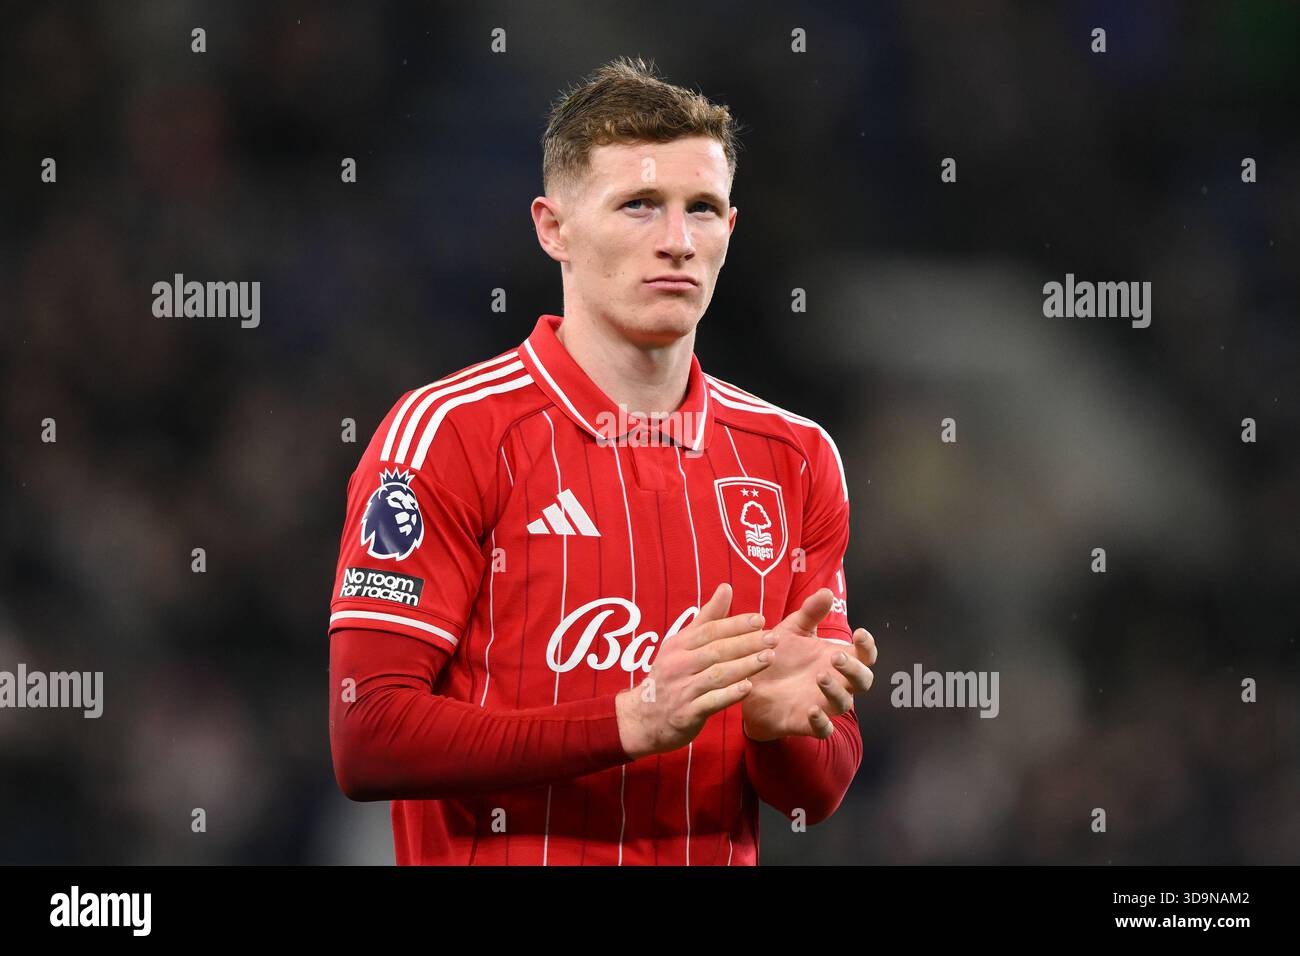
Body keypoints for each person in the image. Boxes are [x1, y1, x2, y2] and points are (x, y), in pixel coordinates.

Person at [327, 56, 877, 865]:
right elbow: (368, 733)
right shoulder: (446, 435)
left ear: (731, 228)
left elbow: (814, 793)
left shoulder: (793, 457)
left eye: (703, 210)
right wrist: (631, 720)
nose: (677, 241)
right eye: (640, 206)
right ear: (554, 228)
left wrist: (778, 732)